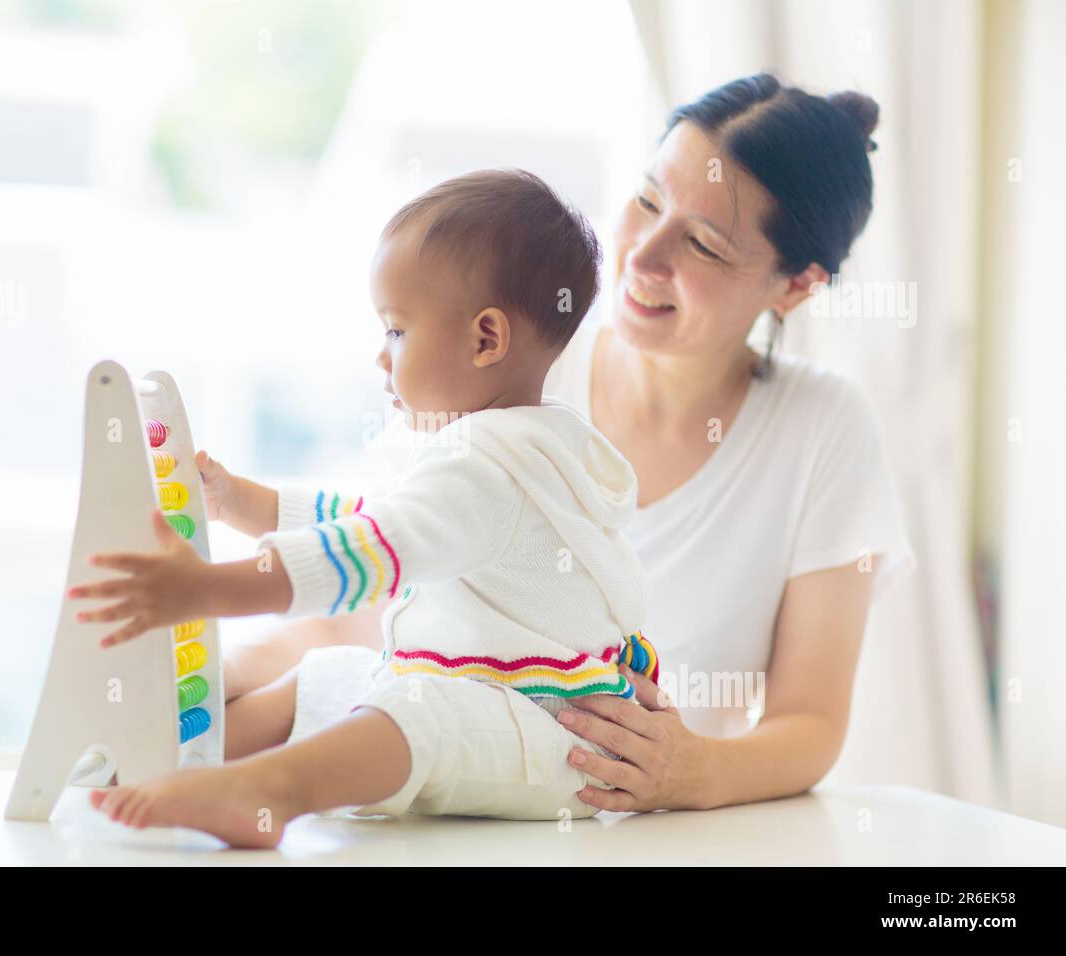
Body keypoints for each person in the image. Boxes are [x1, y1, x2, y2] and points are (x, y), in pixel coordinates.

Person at [221, 72, 917, 816]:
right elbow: (379, 570)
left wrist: (685, 772)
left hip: (620, 829)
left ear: (796, 287)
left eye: (704, 245)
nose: (645, 256)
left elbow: (809, 725)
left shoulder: (823, 429)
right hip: (428, 778)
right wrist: (223, 674)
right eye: (648, 200)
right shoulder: (516, 358)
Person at [70, 169, 661, 846]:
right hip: (499, 713)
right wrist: (241, 501)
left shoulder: (492, 470)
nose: (381, 357)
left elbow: (366, 553)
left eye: (397, 331)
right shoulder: (494, 450)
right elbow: (367, 518)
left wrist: (207, 589)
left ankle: (265, 791)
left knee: (419, 712)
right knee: (331, 679)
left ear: (485, 340)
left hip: (555, 743)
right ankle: (164, 764)